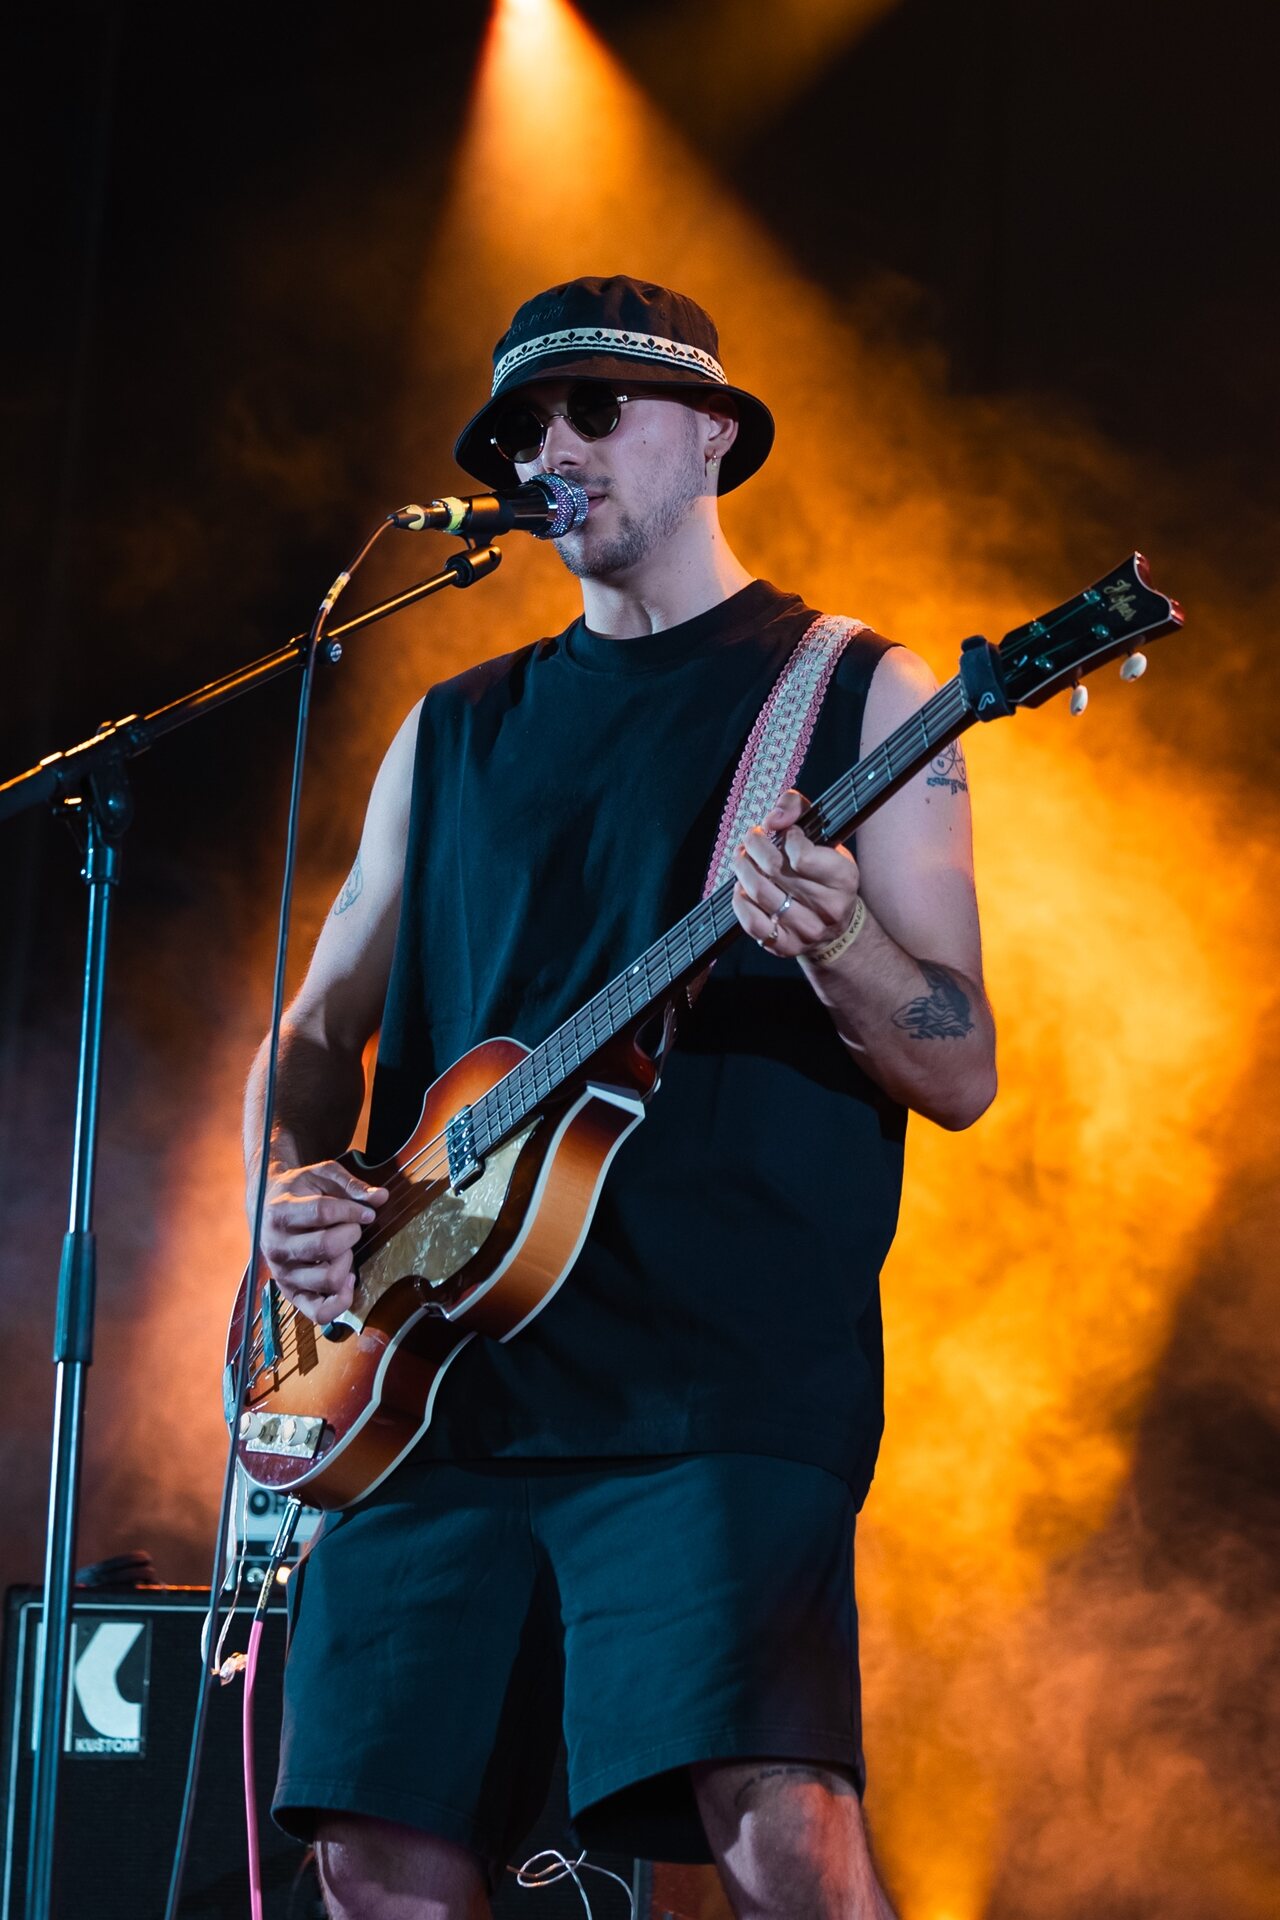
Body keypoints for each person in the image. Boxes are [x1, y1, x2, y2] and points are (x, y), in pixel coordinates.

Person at [244, 275, 997, 1920]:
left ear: (714, 434)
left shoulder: (852, 692)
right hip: (434, 1377)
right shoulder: (449, 730)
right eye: (523, 425)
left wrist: (844, 939)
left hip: (713, 1385)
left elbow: (958, 1060)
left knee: (775, 1833)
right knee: (374, 1857)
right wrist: (296, 1189)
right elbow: (314, 1027)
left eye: (595, 407)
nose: (551, 446)